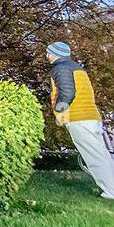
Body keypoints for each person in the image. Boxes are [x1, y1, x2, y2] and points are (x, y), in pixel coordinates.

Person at [48, 41, 114, 199]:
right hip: (91, 117)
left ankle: (111, 191)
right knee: (101, 154)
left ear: (56, 54)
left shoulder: (60, 68)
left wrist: (60, 111)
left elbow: (68, 91)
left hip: (80, 118)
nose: (47, 56)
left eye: (49, 53)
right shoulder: (76, 67)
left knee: (94, 157)